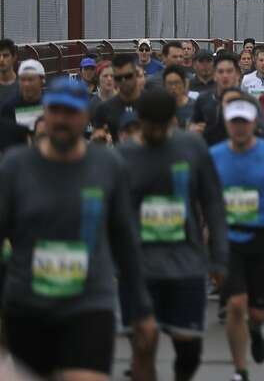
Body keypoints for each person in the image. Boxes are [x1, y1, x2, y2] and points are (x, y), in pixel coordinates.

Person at [0, 77, 155, 380]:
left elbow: (125, 241)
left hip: (88, 304)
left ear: (84, 116)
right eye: (55, 110)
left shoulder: (108, 167)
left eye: (70, 112)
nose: (61, 119)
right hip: (27, 308)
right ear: (44, 113)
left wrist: (141, 308)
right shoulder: (16, 167)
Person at [118, 88, 229, 381]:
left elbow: (213, 201)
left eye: (162, 126)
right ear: (139, 121)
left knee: (189, 351)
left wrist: (219, 256)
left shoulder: (192, 147)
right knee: (143, 344)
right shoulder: (123, 156)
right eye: (149, 126)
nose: (155, 132)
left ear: (173, 121)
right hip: (139, 266)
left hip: (186, 262)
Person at [209, 94, 264, 380]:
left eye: (244, 122)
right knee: (235, 305)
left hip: (261, 238)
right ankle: (240, 369)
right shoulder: (215, 157)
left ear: (254, 123)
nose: (239, 128)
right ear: (227, 124)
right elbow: (205, 198)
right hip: (228, 240)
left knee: (257, 313)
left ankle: (255, 331)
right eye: (234, 122)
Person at [93, 52, 143, 143]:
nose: (124, 81)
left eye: (128, 76)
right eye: (119, 78)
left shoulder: (153, 102)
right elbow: (97, 139)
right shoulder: (104, 109)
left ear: (136, 74)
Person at [0, 59, 45, 152]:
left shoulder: (51, 105)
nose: (26, 84)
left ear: (42, 80)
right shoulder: (9, 107)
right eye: (23, 80)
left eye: (31, 80)